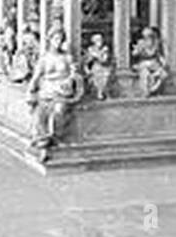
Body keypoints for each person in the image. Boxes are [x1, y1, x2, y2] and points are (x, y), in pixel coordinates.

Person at [28, 28, 82, 158]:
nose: (58, 42)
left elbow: (74, 75)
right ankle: (43, 145)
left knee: (59, 110)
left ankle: (53, 139)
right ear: (50, 40)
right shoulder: (44, 58)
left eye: (60, 39)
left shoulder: (67, 57)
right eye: (55, 39)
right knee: (41, 114)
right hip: (47, 90)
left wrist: (69, 80)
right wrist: (30, 91)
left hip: (62, 91)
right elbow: (36, 77)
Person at [131, 25, 168, 97]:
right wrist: (138, 49)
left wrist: (163, 62)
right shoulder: (141, 44)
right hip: (143, 64)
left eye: (150, 37)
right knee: (146, 73)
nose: (148, 39)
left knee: (163, 74)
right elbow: (135, 54)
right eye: (146, 37)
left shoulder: (155, 46)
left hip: (154, 65)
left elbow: (159, 57)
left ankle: (155, 90)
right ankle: (146, 91)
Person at [82, 33, 114, 100]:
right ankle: (97, 92)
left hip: (104, 67)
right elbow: (87, 61)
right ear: (94, 41)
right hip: (95, 67)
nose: (99, 41)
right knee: (95, 75)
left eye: (100, 40)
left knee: (105, 75)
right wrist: (87, 69)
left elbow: (104, 60)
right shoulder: (91, 49)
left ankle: (101, 92)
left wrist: (97, 56)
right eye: (97, 40)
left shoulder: (105, 48)